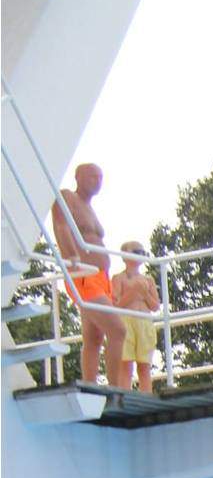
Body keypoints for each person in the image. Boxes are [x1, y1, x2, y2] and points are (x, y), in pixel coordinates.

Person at [50, 163, 126, 384]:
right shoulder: (67, 197)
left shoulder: (89, 207)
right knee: (117, 330)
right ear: (78, 177)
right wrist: (72, 258)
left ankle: (90, 384)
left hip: (101, 277)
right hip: (83, 274)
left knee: (94, 337)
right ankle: (115, 388)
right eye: (92, 176)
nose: (97, 180)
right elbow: (61, 226)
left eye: (100, 177)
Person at [110, 243, 158, 392]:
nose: (140, 255)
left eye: (143, 252)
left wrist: (144, 293)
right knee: (126, 364)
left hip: (144, 322)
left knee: (144, 365)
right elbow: (116, 305)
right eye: (137, 252)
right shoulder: (118, 278)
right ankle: (126, 394)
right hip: (126, 321)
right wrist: (132, 292)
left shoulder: (148, 280)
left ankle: (147, 395)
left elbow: (155, 306)